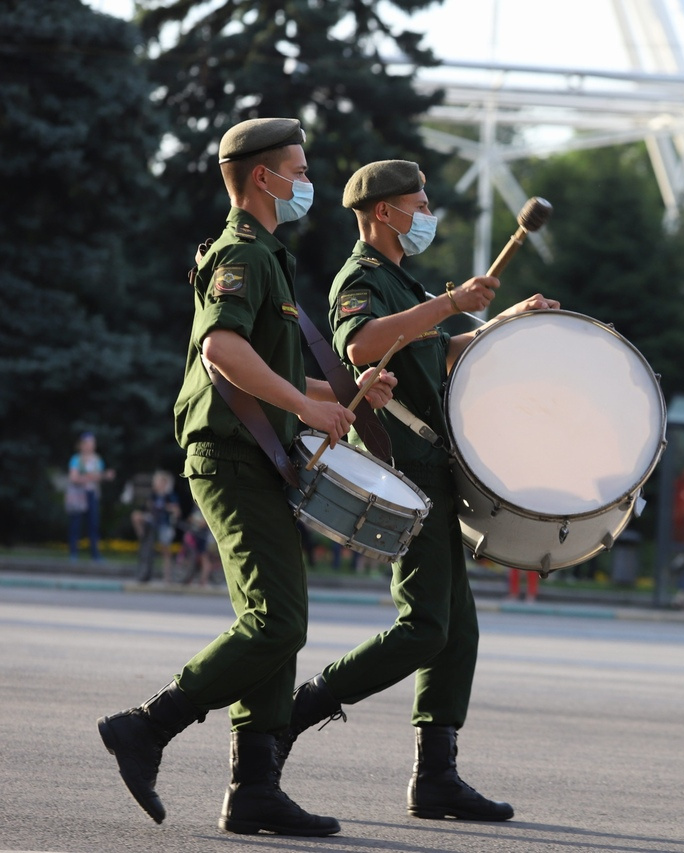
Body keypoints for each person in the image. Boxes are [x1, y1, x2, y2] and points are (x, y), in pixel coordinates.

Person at [96, 118, 396, 838]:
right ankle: (147, 725)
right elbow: (222, 348)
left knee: (279, 623)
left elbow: (274, 375)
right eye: (298, 168)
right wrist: (304, 405)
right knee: (278, 620)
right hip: (229, 454)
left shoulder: (269, 256)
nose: (307, 181)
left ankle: (254, 788)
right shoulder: (242, 253)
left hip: (257, 451)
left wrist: (342, 397)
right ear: (263, 177)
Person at [276, 159, 558, 823]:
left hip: (435, 465)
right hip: (402, 465)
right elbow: (361, 343)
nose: (427, 213)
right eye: (419, 203)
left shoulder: (406, 281)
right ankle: (293, 714)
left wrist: (496, 322)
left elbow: (436, 348)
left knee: (457, 629)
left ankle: (436, 775)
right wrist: (455, 300)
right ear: (383, 212)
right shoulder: (363, 278)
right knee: (425, 625)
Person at [67, 431, 115, 560]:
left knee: (93, 524)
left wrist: (98, 477)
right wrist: (94, 477)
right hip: (78, 496)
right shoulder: (76, 459)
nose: (90, 446)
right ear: (82, 445)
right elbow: (74, 478)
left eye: (92, 443)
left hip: (92, 494)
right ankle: (73, 553)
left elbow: (98, 477)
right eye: (87, 443)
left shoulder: (97, 460)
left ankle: (95, 554)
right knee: (75, 524)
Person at [135, 469, 181, 583]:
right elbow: (145, 509)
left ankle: (167, 577)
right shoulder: (153, 495)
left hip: (164, 523)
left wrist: (167, 508)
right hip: (153, 522)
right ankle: (141, 535)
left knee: (166, 551)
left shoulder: (169, 496)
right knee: (136, 516)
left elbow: (176, 511)